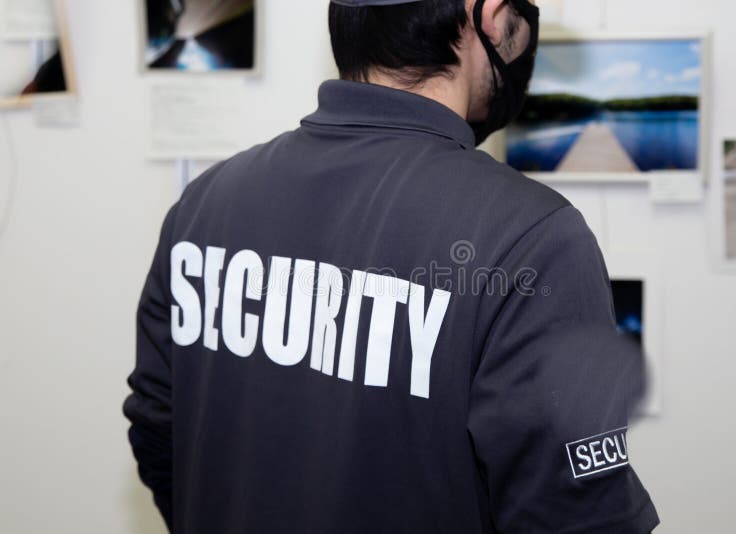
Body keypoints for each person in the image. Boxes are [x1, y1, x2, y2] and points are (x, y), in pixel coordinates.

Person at [122, 0, 660, 532]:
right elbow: (578, 519)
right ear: (492, 19)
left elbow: (158, 432)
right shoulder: (531, 237)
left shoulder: (207, 203)